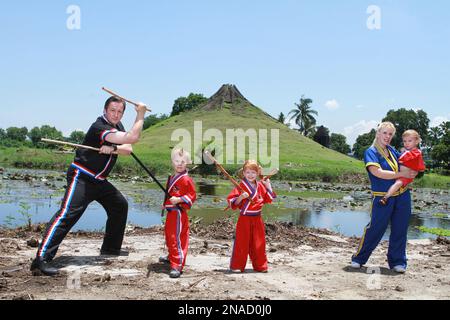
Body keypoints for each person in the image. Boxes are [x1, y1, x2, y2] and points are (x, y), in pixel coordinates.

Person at [31, 96, 148, 276]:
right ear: (105, 110)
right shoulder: (99, 126)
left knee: (119, 205)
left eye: (119, 112)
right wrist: (140, 114)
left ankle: (110, 249)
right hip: (82, 177)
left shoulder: (118, 127)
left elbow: (129, 148)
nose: (116, 115)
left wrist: (114, 149)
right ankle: (41, 259)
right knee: (67, 214)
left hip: (99, 180)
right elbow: (132, 138)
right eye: (112, 110)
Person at [351, 122, 418, 273]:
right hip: (383, 197)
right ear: (378, 133)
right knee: (375, 228)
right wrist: (402, 174)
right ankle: (358, 258)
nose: (387, 137)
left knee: (400, 229)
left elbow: (408, 161)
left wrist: (414, 168)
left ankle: (398, 262)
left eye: (390, 134)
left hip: (402, 195)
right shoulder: (371, 151)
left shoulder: (393, 151)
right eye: (385, 133)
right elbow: (377, 172)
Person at [226, 160, 276, 273]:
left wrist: (269, 186)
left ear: (257, 173)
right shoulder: (240, 186)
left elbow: (269, 199)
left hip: (257, 218)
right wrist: (241, 197)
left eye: (253, 172)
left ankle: (260, 266)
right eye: (247, 172)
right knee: (241, 242)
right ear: (243, 173)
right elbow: (232, 202)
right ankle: (237, 266)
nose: (250, 175)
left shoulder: (260, 186)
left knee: (259, 242)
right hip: (244, 218)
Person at [161, 148, 197, 278]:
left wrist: (180, 199)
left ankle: (177, 264)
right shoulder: (172, 177)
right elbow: (169, 194)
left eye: (183, 161)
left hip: (178, 214)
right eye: (177, 161)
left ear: (187, 163)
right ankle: (172, 256)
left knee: (176, 238)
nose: (179, 164)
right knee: (169, 236)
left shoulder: (186, 179)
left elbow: (192, 195)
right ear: (172, 162)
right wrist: (165, 203)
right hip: (171, 213)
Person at [379, 130, 425, 205]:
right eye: (404, 141)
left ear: (416, 142)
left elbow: (409, 158)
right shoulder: (407, 151)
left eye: (409, 141)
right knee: (394, 181)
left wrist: (404, 152)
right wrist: (404, 152)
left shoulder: (416, 152)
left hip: (406, 175)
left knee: (398, 183)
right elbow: (402, 157)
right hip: (401, 172)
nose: (406, 143)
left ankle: (386, 197)